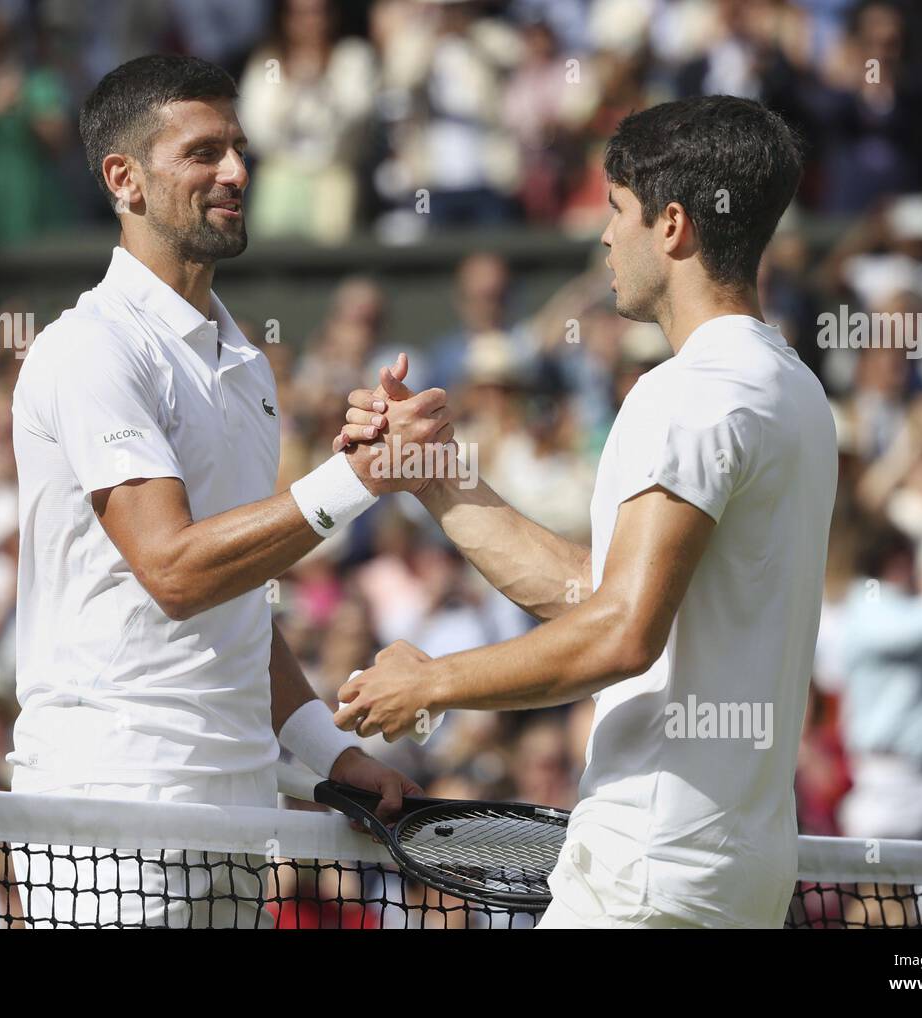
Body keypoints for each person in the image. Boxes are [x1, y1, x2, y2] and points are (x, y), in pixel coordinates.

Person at [333, 95, 838, 929]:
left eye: (616, 211)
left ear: (671, 226)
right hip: (736, 879)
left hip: (645, 873)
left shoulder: (684, 395)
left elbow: (619, 630)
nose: (604, 236)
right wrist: (429, 474)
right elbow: (598, 591)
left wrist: (433, 683)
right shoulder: (794, 391)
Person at [7, 54, 448, 928]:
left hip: (242, 820)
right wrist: (354, 479)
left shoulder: (245, 364)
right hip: (113, 821)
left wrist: (329, 755)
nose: (238, 172)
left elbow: (235, 607)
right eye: (203, 152)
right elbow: (174, 571)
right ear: (123, 179)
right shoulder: (89, 349)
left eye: (238, 149)